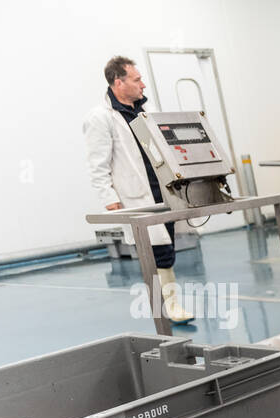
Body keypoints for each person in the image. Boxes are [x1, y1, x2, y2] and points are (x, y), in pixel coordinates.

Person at [83, 56, 194, 324]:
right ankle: (168, 307)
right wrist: (109, 199)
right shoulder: (101, 117)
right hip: (136, 198)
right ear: (118, 82)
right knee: (156, 252)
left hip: (163, 192)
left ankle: (169, 305)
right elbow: (97, 164)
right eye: (137, 79)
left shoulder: (146, 112)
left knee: (167, 248)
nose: (143, 84)